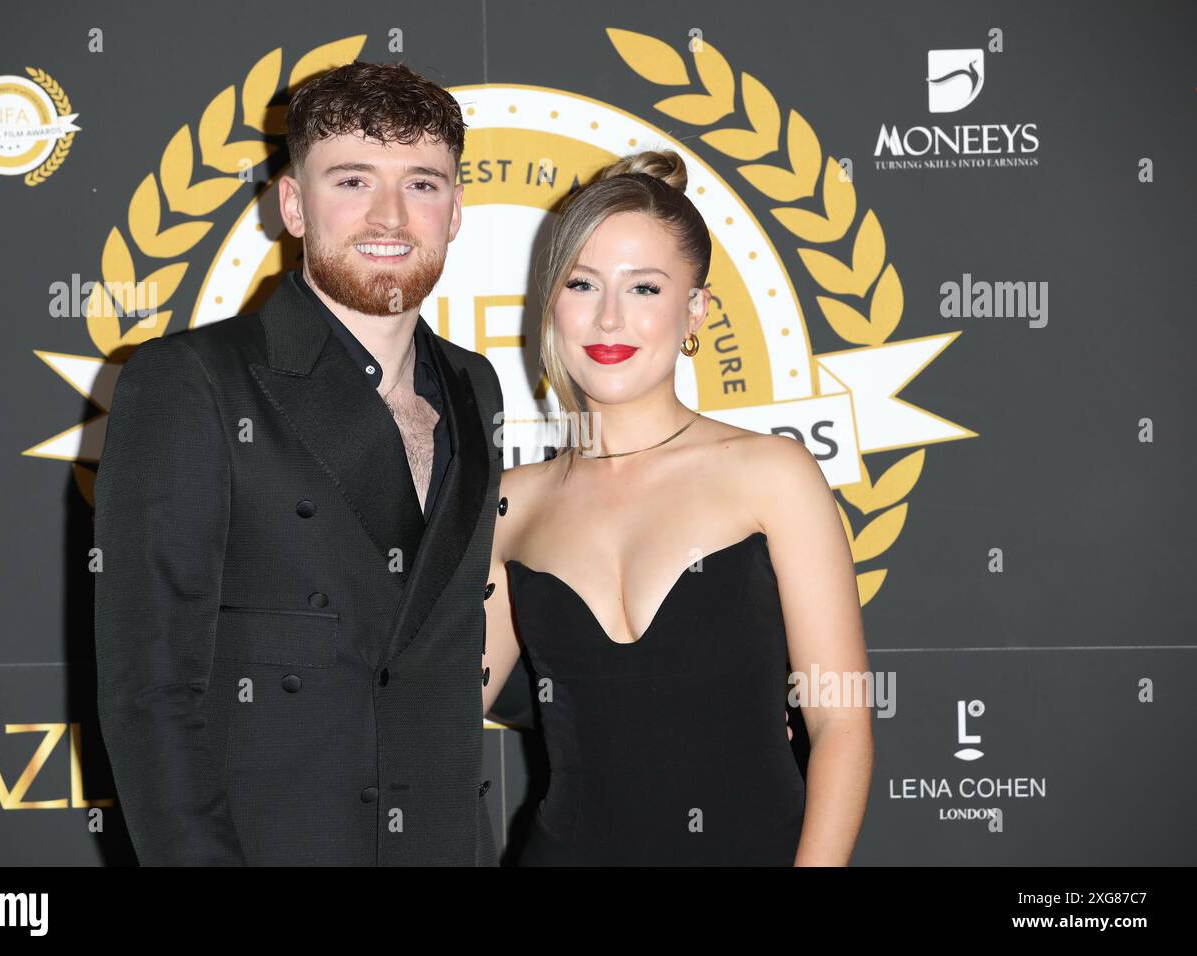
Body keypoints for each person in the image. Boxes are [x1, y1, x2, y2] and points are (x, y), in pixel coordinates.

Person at [94, 61, 505, 865]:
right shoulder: (191, 382)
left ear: (455, 211)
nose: (390, 215)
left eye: (422, 184)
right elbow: (151, 694)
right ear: (292, 203)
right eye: (353, 180)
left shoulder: (474, 386)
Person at [481, 150, 873, 865]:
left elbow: (841, 720)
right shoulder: (513, 501)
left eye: (645, 288)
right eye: (582, 283)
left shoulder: (770, 474)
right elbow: (444, 693)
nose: (608, 317)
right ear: (552, 302)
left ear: (696, 310)